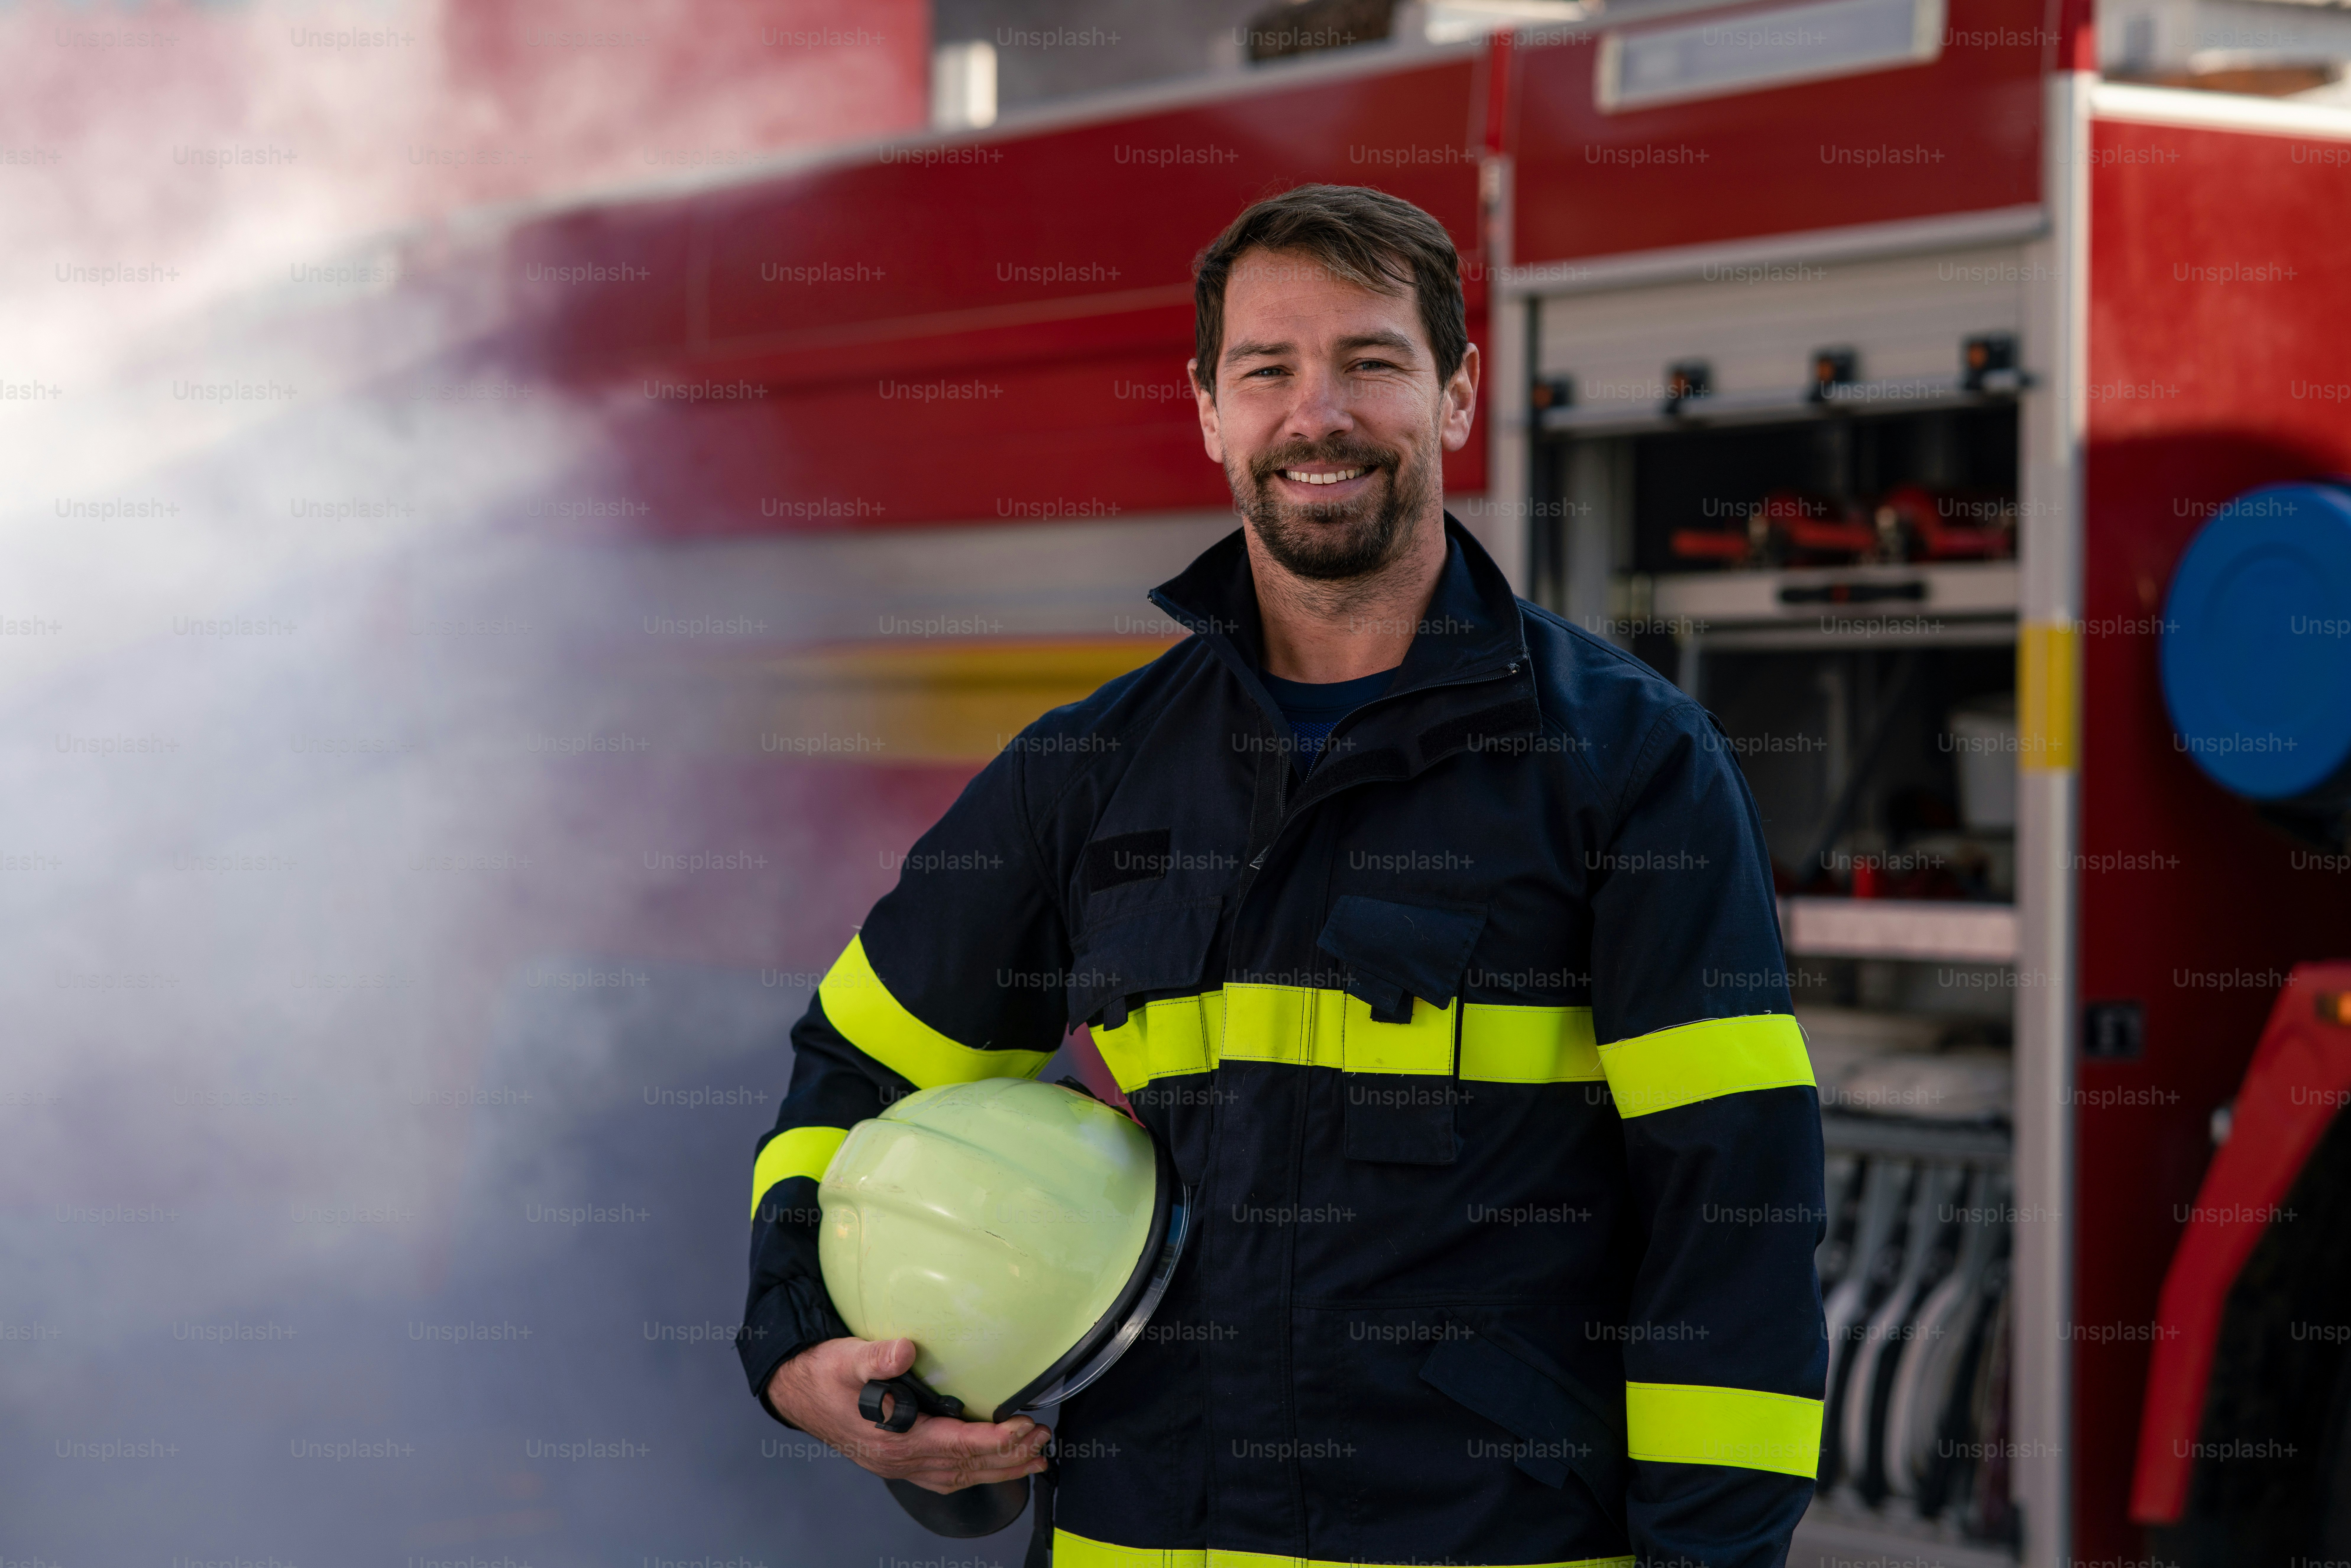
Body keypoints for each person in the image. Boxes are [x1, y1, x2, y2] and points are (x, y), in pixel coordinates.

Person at [740, 183, 1826, 1568]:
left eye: (1371, 361)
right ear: (1208, 410)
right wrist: (792, 1349)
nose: (1317, 415)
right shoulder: (1086, 771)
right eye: (1268, 370)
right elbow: (860, 1073)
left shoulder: (1622, 765)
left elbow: (1730, 1217)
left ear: (1455, 395)